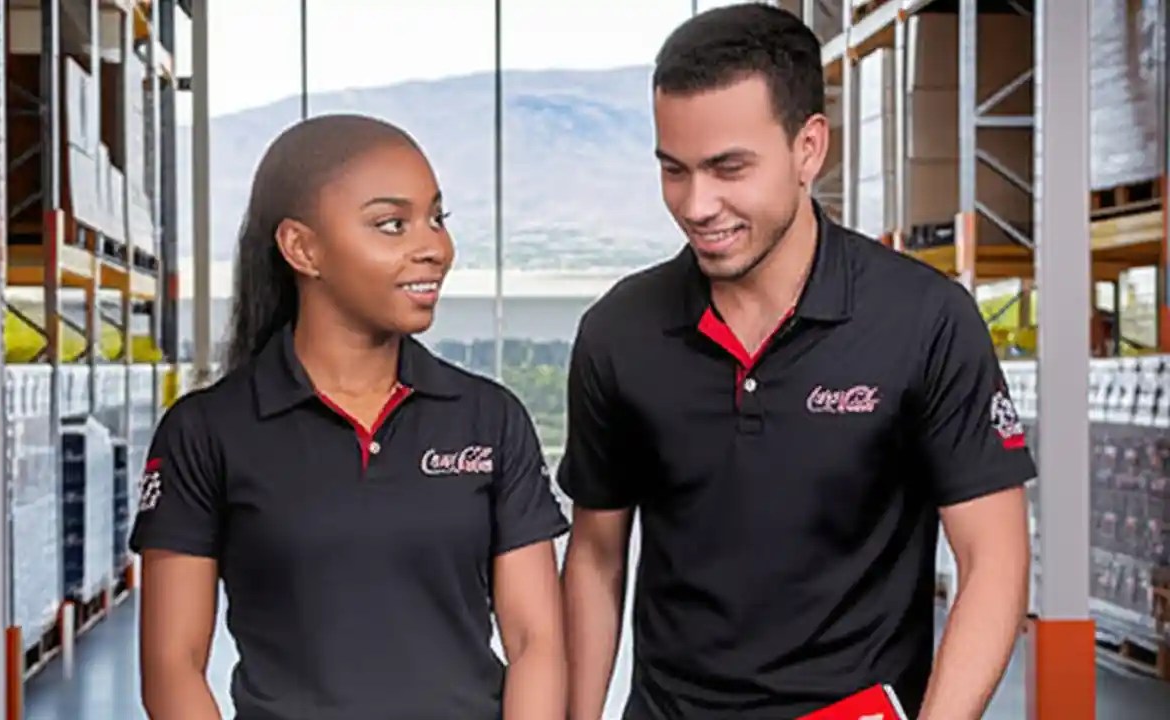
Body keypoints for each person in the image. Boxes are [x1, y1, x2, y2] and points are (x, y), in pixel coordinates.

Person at [559, 5, 1034, 720]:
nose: (697, 204)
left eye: (729, 168)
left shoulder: (924, 321)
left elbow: (994, 560)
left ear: (809, 147)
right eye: (673, 170)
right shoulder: (618, 334)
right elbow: (596, 558)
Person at [129, 113, 570, 720]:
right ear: (302, 248)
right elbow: (172, 668)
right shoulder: (205, 433)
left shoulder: (489, 420)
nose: (434, 247)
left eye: (437, 219)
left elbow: (536, 643)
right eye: (392, 225)